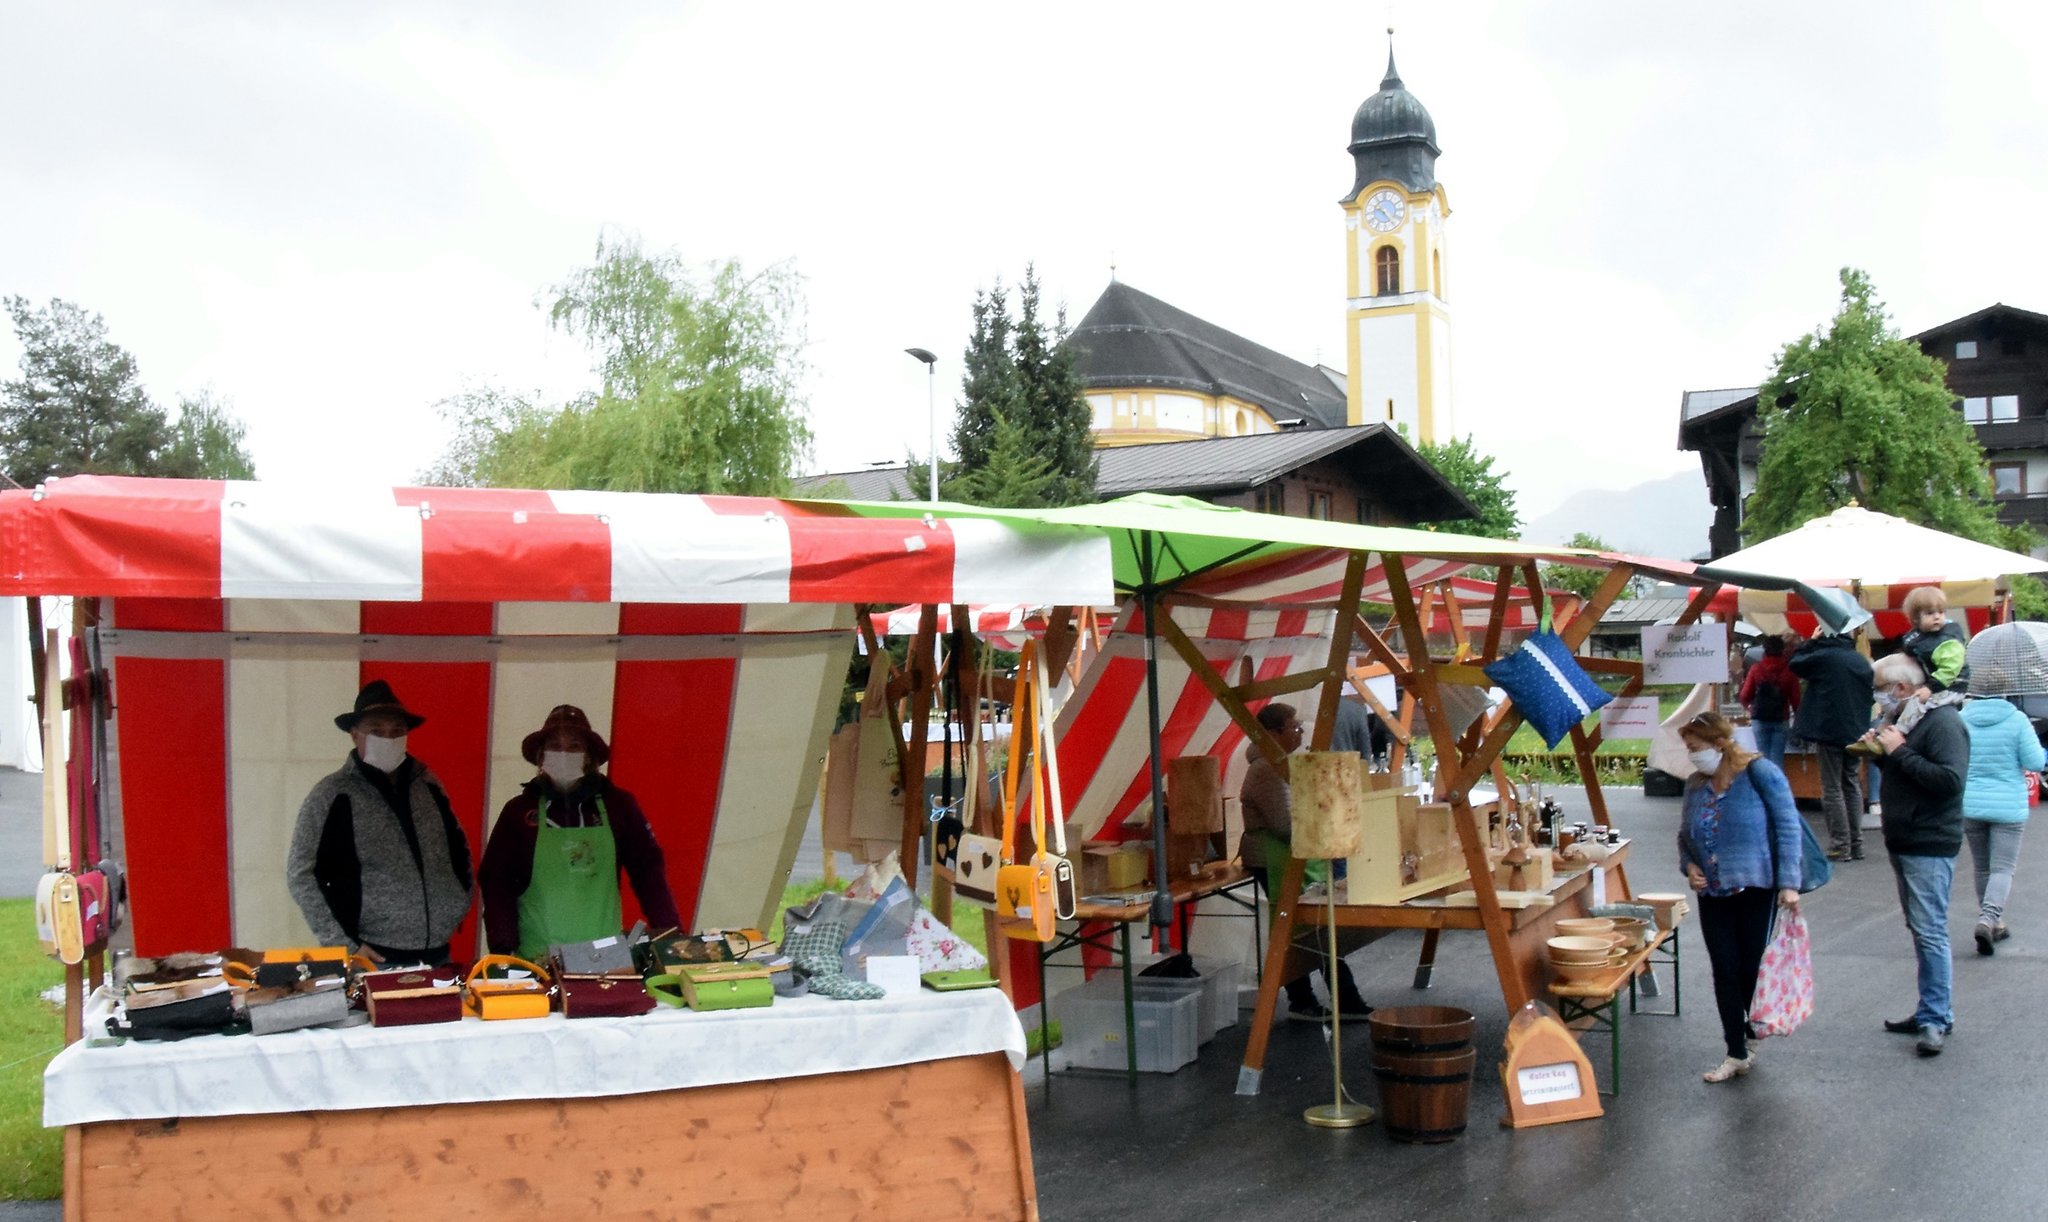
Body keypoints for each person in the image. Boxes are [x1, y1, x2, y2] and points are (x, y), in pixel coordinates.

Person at [286, 680, 474, 964]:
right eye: (376, 731)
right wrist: (343, 945)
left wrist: (458, 900)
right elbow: (300, 874)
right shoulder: (332, 794)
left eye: (397, 731)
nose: (388, 738)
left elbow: (457, 845)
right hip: (375, 956)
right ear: (354, 735)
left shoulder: (428, 783)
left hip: (438, 951)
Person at [480, 704, 681, 961]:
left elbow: (648, 872)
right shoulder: (518, 812)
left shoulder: (618, 806)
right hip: (538, 959)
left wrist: (672, 936)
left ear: (589, 756)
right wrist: (502, 946)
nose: (563, 753)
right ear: (541, 756)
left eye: (574, 746)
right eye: (554, 745)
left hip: (606, 958)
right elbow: (496, 882)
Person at [1675, 711, 1803, 1083]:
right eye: (1688, 748)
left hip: (1755, 887)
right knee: (1724, 969)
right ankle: (1735, 1050)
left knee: (1750, 967)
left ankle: (1751, 1029)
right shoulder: (1696, 784)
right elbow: (1685, 835)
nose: (1691, 755)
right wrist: (1689, 866)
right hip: (1711, 891)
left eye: (1695, 747)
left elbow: (1788, 826)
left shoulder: (1760, 773)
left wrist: (1789, 883)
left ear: (1718, 743)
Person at [1860, 654, 1969, 1056]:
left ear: (1901, 689)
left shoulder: (1943, 723)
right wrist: (1881, 753)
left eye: (1882, 689)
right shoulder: (1910, 720)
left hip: (1929, 839)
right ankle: (1932, 1009)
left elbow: (1949, 782)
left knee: (1930, 930)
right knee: (1921, 929)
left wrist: (1900, 752)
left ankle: (1936, 1018)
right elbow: (1909, 775)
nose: (1879, 697)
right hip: (1905, 837)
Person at [1238, 702, 1370, 1023]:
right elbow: (1285, 825)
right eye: (1294, 727)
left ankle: (1325, 999)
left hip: (1286, 855)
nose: (1299, 732)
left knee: (1308, 930)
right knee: (1302, 930)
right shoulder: (1267, 769)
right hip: (1272, 858)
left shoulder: (1279, 764)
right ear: (1273, 734)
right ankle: (1309, 1000)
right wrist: (1324, 820)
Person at [1959, 692, 2041, 955]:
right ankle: (1988, 918)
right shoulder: (2017, 720)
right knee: (2003, 868)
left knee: (1982, 867)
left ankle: (1996, 923)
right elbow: (2035, 761)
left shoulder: (1961, 719)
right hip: (2008, 806)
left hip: (1971, 803)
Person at [1790, 625, 1875, 862]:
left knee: (1832, 788)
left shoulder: (1824, 657)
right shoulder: (1859, 660)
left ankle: (1841, 844)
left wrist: (1811, 641)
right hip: (1855, 731)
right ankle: (1857, 843)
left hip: (1829, 730)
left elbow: (1796, 663)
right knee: (1851, 784)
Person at [1739, 636, 1801, 769]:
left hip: (1760, 718)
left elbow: (1744, 696)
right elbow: (1796, 701)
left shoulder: (1756, 669)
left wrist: (1751, 709)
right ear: (1782, 650)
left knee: (1762, 757)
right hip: (1781, 719)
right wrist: (1798, 721)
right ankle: (1777, 787)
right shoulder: (1789, 671)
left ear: (1765, 650)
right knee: (1777, 759)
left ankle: (1763, 787)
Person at [1899, 586, 1971, 695]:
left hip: (1951, 687)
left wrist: (1930, 688)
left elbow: (1950, 670)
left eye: (1941, 612)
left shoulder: (1948, 640)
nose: (1937, 617)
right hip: (1933, 684)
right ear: (1915, 618)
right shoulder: (1916, 637)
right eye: (1930, 613)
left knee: (1919, 705)